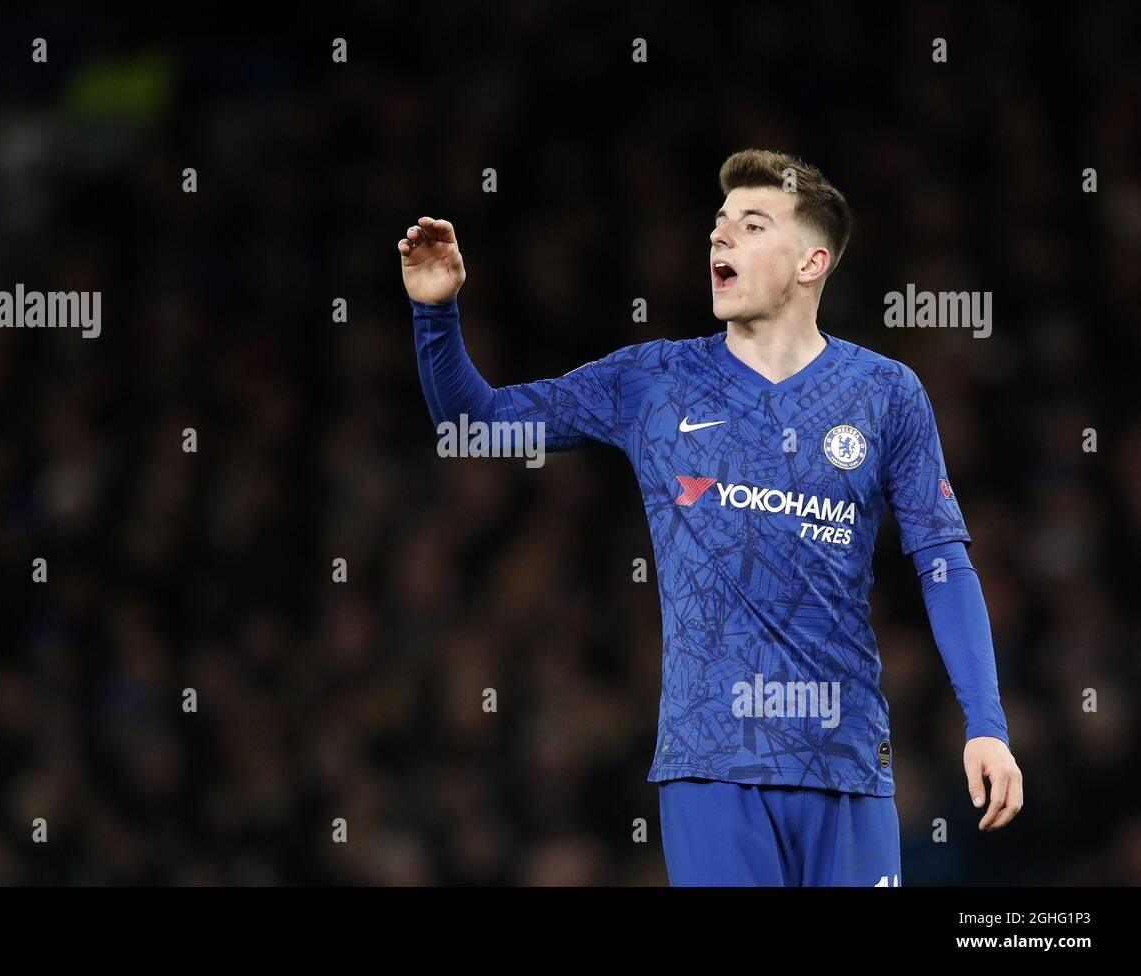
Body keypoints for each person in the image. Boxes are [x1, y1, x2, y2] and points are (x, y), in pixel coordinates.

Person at [400, 149, 1022, 885]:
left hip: (848, 760)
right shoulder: (653, 381)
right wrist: (436, 314)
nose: (719, 239)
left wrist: (986, 723)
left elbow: (943, 562)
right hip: (711, 763)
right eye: (719, 225)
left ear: (810, 263)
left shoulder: (887, 394)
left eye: (752, 225)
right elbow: (475, 421)